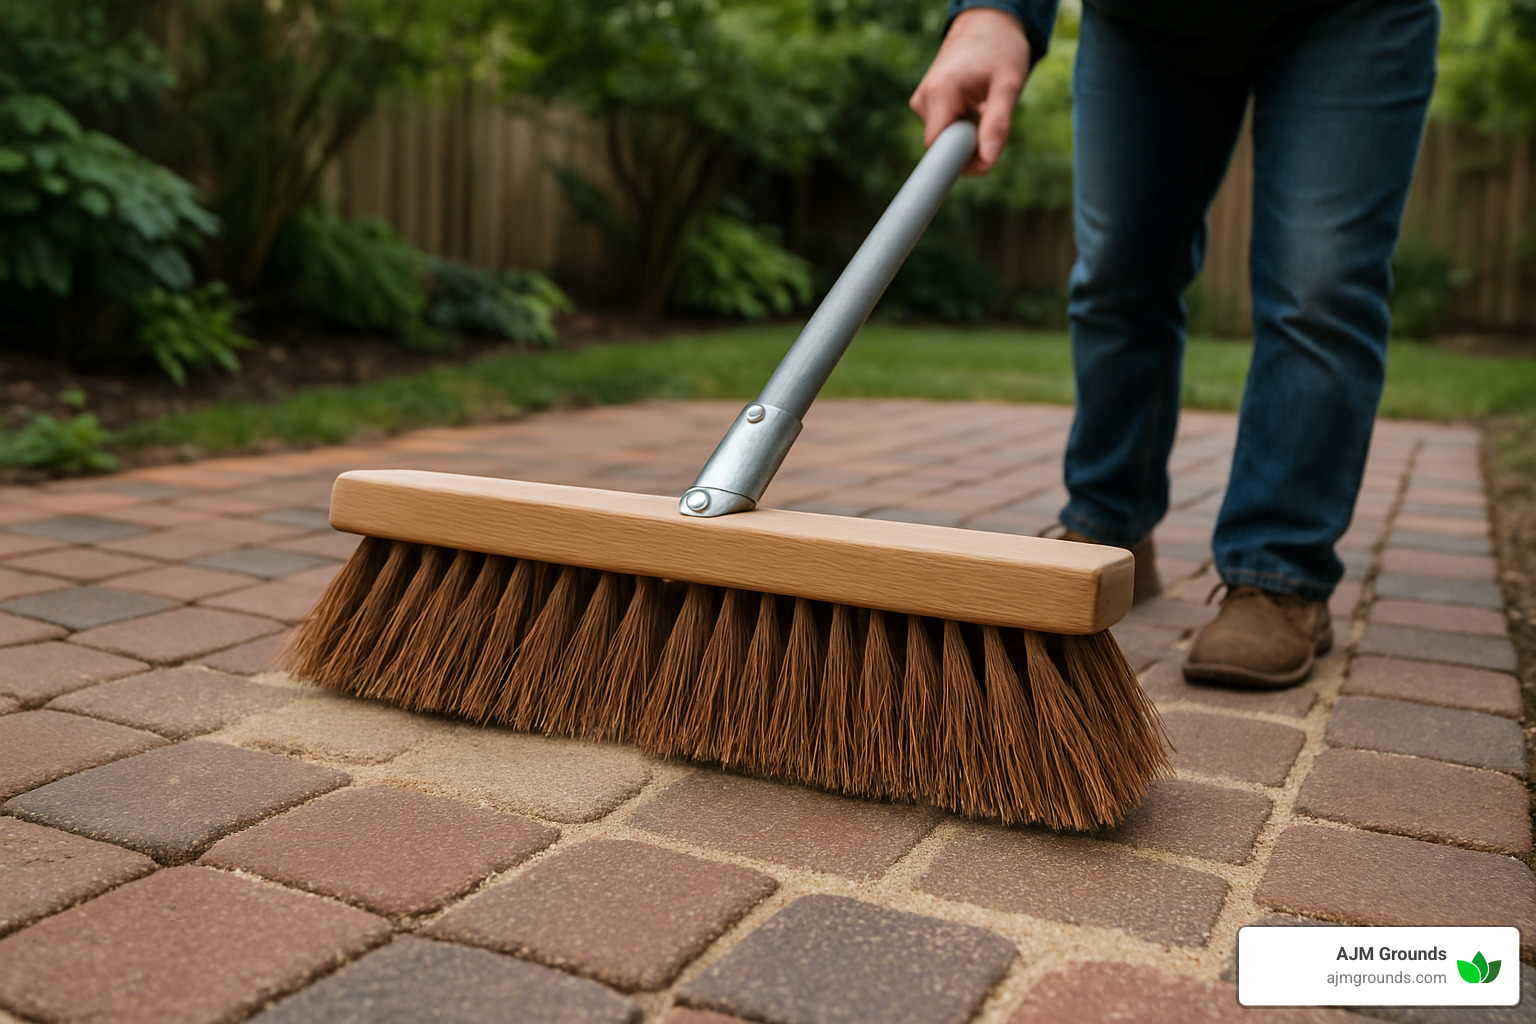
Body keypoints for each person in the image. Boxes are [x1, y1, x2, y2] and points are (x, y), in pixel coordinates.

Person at [910, 0, 1439, 688]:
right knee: (1116, 273)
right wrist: (994, 12)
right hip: (1141, 21)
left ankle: (1278, 573)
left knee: (1321, 286)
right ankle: (1108, 524)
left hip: (1353, 16)